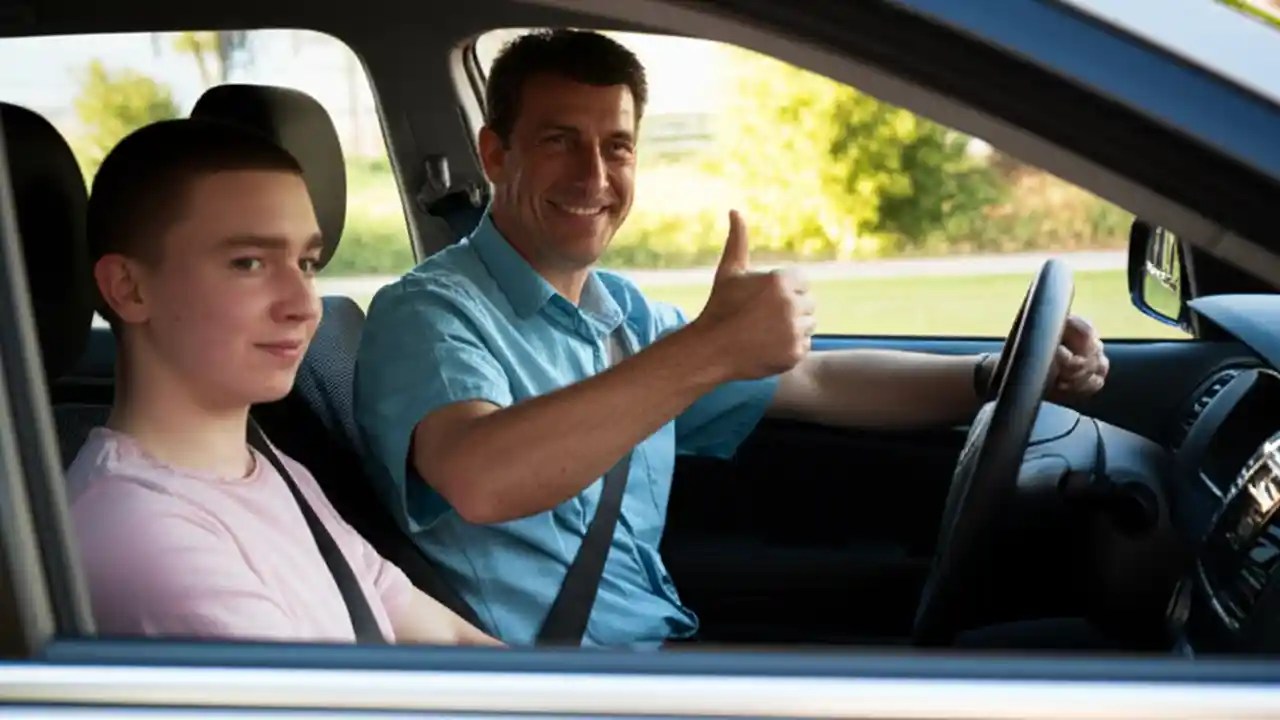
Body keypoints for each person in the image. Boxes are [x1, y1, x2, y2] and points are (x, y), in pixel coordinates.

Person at [353, 29, 1109, 648]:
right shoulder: (430, 313)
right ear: (494, 154)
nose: (594, 175)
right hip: (561, 688)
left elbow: (813, 382)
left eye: (617, 146)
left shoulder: (624, 316)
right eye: (559, 141)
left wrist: (995, 374)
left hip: (663, 653)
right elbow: (482, 479)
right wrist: (708, 347)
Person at [69, 118, 498, 646]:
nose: (304, 305)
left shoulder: (264, 462)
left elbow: (441, 636)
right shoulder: (143, 534)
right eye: (248, 263)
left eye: (307, 263)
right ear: (129, 289)